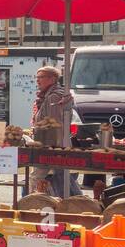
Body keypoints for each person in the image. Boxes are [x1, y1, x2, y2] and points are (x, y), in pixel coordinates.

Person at [29, 65, 77, 197]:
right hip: (54, 144)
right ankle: (75, 200)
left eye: (41, 77)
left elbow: (53, 123)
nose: (37, 80)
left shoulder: (53, 97)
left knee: (37, 177)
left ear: (52, 79)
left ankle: (31, 203)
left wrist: (48, 144)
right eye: (37, 77)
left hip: (51, 145)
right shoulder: (48, 95)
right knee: (62, 176)